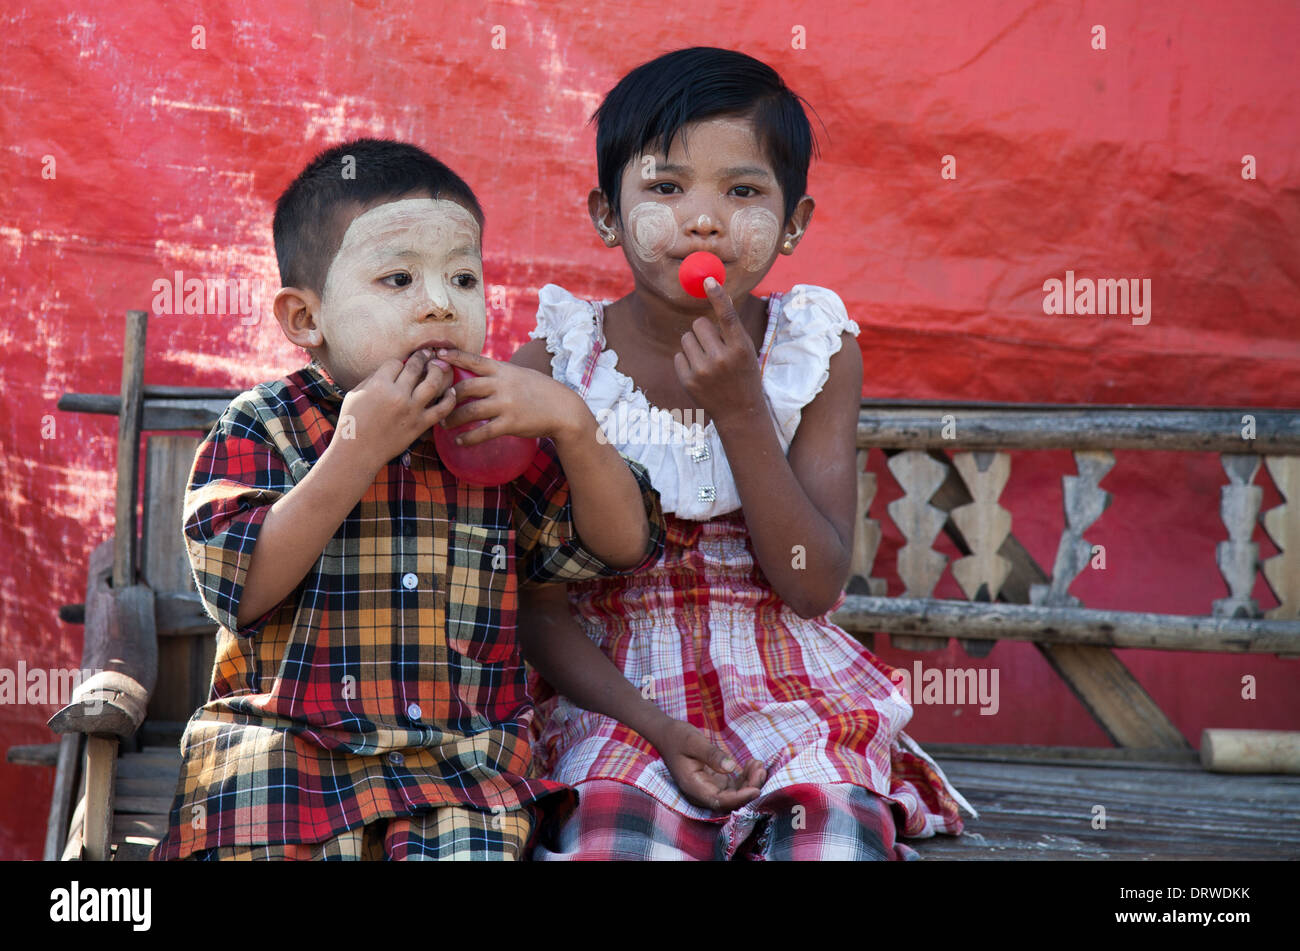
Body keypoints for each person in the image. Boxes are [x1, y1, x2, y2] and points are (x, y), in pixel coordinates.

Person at [511, 47, 976, 860]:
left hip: (794, 690)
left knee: (833, 838)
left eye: (743, 191)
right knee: (614, 842)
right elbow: (539, 613)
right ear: (605, 215)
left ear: (793, 223)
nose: (703, 219)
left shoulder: (813, 349)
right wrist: (653, 726)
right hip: (620, 699)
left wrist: (741, 411)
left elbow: (811, 581)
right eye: (664, 187)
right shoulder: (560, 364)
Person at [150, 138, 665, 861]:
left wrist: (576, 428)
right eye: (398, 279)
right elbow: (240, 587)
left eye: (462, 278)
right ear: (305, 319)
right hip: (288, 754)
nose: (437, 305)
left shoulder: (499, 427)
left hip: (461, 769)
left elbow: (621, 546)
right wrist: (353, 452)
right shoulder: (263, 423)